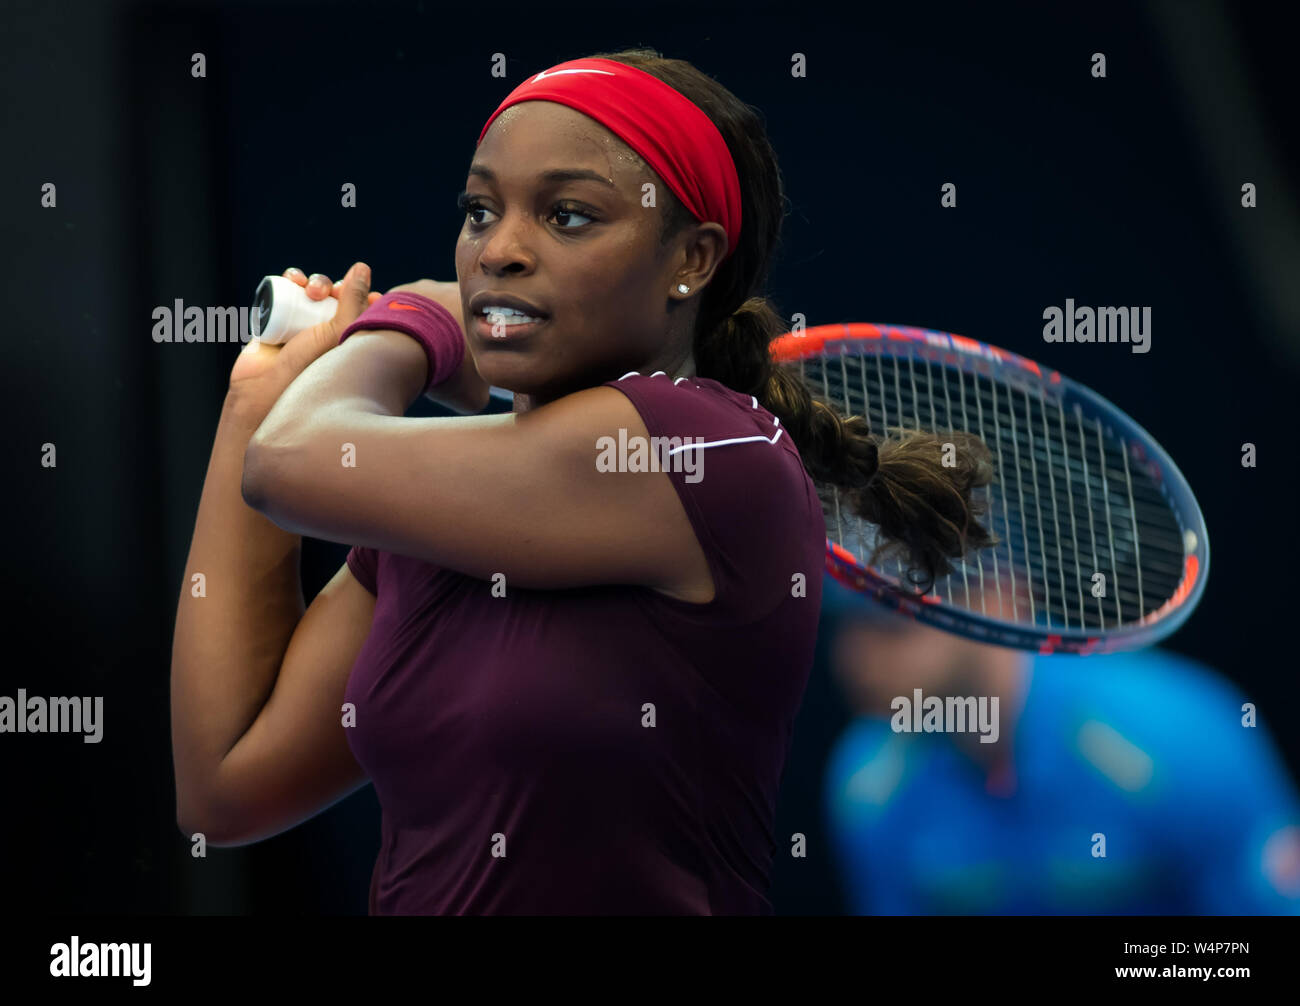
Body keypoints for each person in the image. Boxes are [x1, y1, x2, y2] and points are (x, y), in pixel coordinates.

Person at [171, 48, 992, 914]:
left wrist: (406, 322)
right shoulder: (452, 498)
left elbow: (295, 459)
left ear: (693, 259)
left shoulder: (703, 447)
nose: (499, 251)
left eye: (567, 216)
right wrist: (249, 407)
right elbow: (227, 789)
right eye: (480, 211)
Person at [823, 579, 1300, 914]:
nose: (853, 658)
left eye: (889, 616)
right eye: (843, 620)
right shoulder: (867, 785)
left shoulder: (1182, 741)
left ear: (1000, 596)